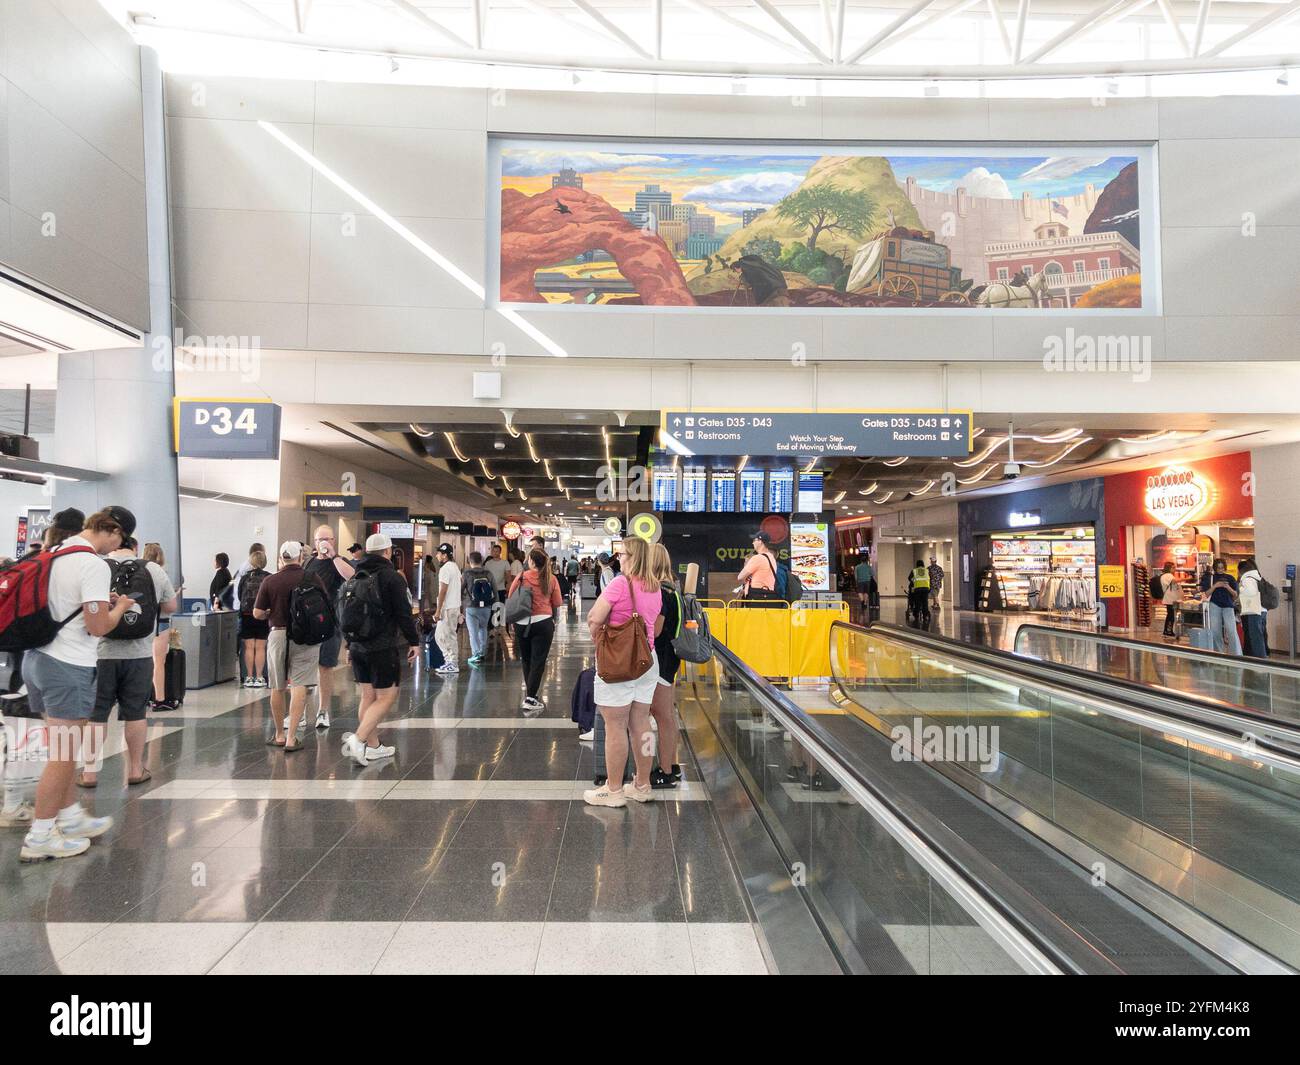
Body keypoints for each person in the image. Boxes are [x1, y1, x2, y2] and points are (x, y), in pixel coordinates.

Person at [20, 507, 139, 862]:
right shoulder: (92, 564)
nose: (118, 546)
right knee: (63, 754)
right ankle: (40, 836)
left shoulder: (55, 552)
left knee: (62, 747)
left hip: (37, 659)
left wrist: (103, 605)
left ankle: (70, 818)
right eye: (120, 538)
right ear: (113, 532)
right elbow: (98, 626)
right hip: (67, 666)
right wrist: (121, 608)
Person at [79, 534, 177, 788]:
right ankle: (135, 769)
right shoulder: (153, 569)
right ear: (135, 548)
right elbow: (170, 607)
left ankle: (89, 772)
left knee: (97, 715)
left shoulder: (95, 567)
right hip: (139, 655)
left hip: (101, 654)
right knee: (135, 713)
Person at [583, 536, 663, 808]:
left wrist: (597, 639)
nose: (620, 558)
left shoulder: (620, 583)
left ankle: (614, 790)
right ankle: (643, 784)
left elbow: (595, 617)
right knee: (642, 724)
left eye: (624, 554)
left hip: (618, 662)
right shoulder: (655, 587)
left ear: (633, 557)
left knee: (615, 726)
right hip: (647, 661)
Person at [340, 533, 421, 767]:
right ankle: (359, 739)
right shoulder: (392, 578)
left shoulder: (356, 576)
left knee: (368, 696)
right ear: (387, 552)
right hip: (382, 646)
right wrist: (414, 641)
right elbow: (403, 614)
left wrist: (348, 644)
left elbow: (347, 613)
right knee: (387, 696)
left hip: (357, 646)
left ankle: (373, 746)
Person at [253, 541, 323, 750]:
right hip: (305, 637)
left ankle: (279, 734)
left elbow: (257, 613)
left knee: (277, 685)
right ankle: (293, 737)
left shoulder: (270, 581)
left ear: (281, 558)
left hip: (278, 634)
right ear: (301, 557)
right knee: (299, 684)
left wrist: (270, 613)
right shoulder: (312, 578)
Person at [303, 525, 354, 730]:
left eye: (326, 539)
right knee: (304, 668)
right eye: (318, 539)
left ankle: (323, 710)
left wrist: (334, 557)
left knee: (325, 666)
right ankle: (300, 711)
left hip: (330, 623)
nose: (322, 543)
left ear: (333, 541)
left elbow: (352, 576)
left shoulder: (339, 562)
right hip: (308, 622)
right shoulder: (308, 563)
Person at [507, 548, 563, 712]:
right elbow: (558, 602)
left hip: (522, 622)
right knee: (538, 661)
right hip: (543, 622)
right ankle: (530, 697)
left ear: (531, 561)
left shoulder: (522, 576)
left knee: (526, 659)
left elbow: (511, 596)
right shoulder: (551, 579)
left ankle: (530, 695)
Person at [648, 543, 682, 789]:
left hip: (661, 657)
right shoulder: (673, 588)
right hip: (670, 656)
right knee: (667, 715)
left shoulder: (660, 592)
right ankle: (673, 765)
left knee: (662, 716)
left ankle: (666, 770)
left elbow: (657, 630)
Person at [237, 548, 271, 686]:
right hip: (263, 614)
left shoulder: (245, 578)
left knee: (249, 647)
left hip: (246, 615)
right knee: (261, 647)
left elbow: (240, 596)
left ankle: (249, 677)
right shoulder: (268, 577)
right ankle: (260, 677)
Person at [1200, 558, 1241, 655]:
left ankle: (1236, 654)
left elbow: (1235, 594)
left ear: (1225, 567)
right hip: (1214, 604)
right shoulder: (1210, 578)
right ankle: (1219, 653)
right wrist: (1215, 586)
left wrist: (1227, 587)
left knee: (1232, 630)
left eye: (1222, 568)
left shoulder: (1230, 578)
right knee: (1215, 631)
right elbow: (1206, 594)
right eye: (1218, 568)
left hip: (1228, 605)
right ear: (1215, 568)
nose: (1220, 570)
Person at [432, 542, 462, 675]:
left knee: (444, 636)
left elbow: (443, 590)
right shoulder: (455, 567)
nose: (436, 555)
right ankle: (450, 661)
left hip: (448, 608)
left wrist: (438, 610)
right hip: (454, 606)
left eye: (438, 553)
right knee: (444, 635)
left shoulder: (445, 569)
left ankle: (452, 662)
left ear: (444, 555)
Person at [461, 551, 495, 665]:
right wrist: (496, 604)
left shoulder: (467, 573)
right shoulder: (489, 573)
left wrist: (460, 603)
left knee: (473, 632)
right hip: (486, 606)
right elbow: (494, 590)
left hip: (471, 606)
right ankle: (482, 652)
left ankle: (475, 654)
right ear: (481, 560)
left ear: (470, 561)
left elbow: (461, 590)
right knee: (483, 628)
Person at [737, 530, 781, 606]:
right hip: (768, 596)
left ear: (760, 541)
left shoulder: (757, 558)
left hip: (756, 597)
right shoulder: (771, 557)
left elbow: (740, 577)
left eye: (754, 540)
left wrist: (747, 565)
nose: (752, 543)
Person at [1238, 557, 1267, 659]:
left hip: (1254, 611)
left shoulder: (1247, 579)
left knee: (1256, 637)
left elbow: (1250, 593)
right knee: (1261, 635)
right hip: (1262, 610)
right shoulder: (1257, 576)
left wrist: (1241, 588)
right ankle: (1263, 657)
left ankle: (1260, 660)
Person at [1158, 561, 1182, 639]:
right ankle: (1168, 631)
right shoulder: (1168, 575)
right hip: (1170, 599)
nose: (1175, 569)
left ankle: (1168, 631)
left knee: (1170, 615)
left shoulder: (1167, 575)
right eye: (1173, 567)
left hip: (1170, 599)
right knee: (1170, 616)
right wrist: (1188, 578)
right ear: (1169, 568)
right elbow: (1174, 582)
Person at [907, 560, 931, 628]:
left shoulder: (914, 570)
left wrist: (914, 581)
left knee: (917, 602)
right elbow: (930, 579)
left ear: (917, 564)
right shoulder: (926, 570)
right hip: (926, 588)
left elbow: (909, 578)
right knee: (925, 602)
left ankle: (916, 614)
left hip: (917, 588)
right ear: (923, 564)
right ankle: (925, 615)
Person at [853, 554, 874, 619]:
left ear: (861, 561)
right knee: (866, 592)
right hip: (867, 581)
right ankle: (865, 603)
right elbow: (872, 574)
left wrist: (856, 582)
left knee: (860, 592)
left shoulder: (857, 567)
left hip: (860, 581)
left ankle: (862, 601)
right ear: (866, 561)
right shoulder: (869, 567)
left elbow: (856, 576)